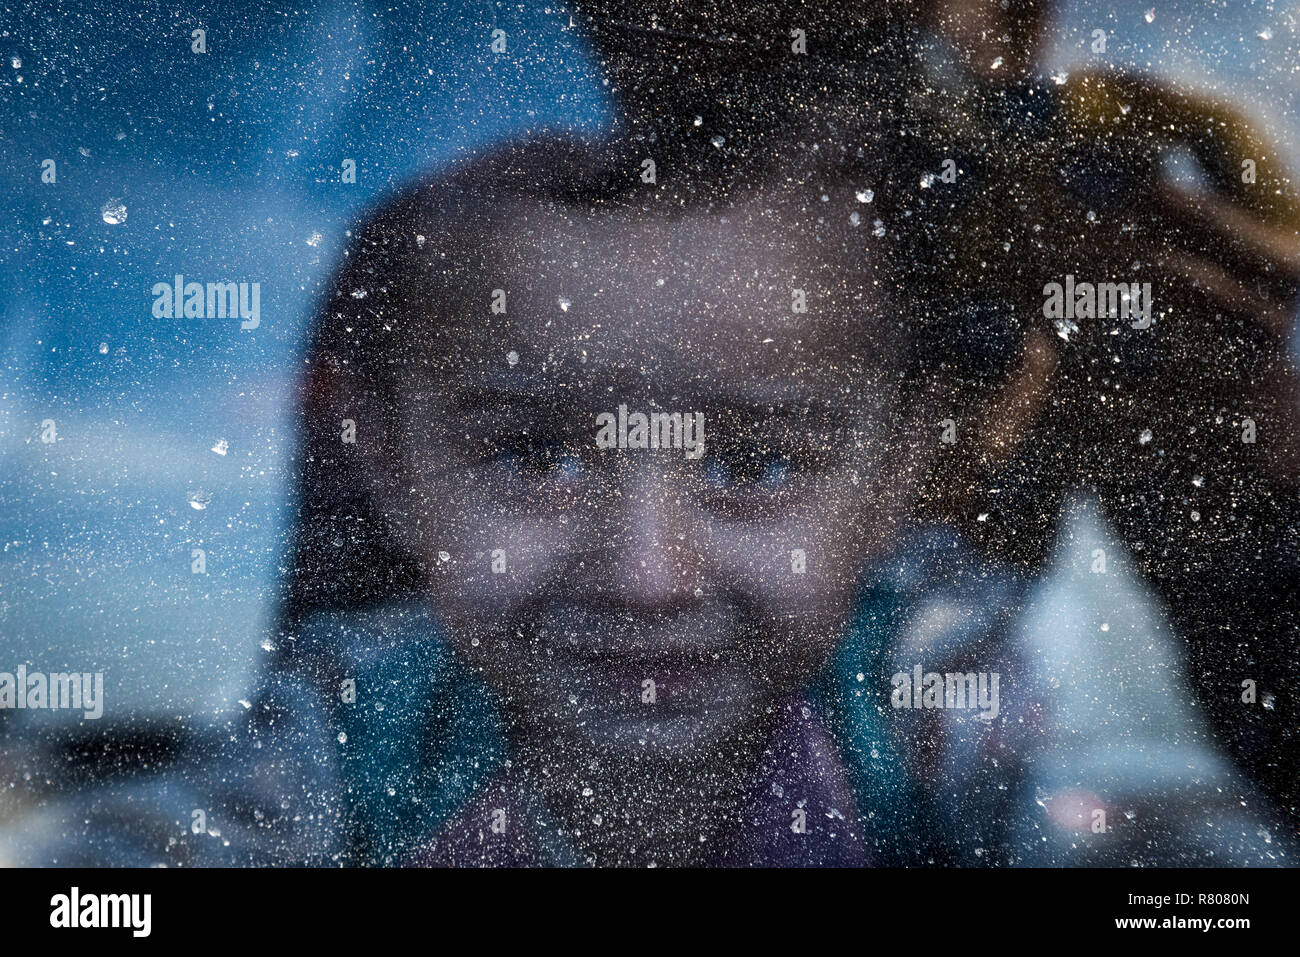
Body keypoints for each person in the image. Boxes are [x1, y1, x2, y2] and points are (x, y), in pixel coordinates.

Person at [1, 2, 1293, 867]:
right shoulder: (453, 270)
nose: (646, 567)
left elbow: (1138, 822)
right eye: (534, 449)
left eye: (754, 456)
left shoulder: (1084, 268)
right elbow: (328, 750)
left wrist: (1255, 468)